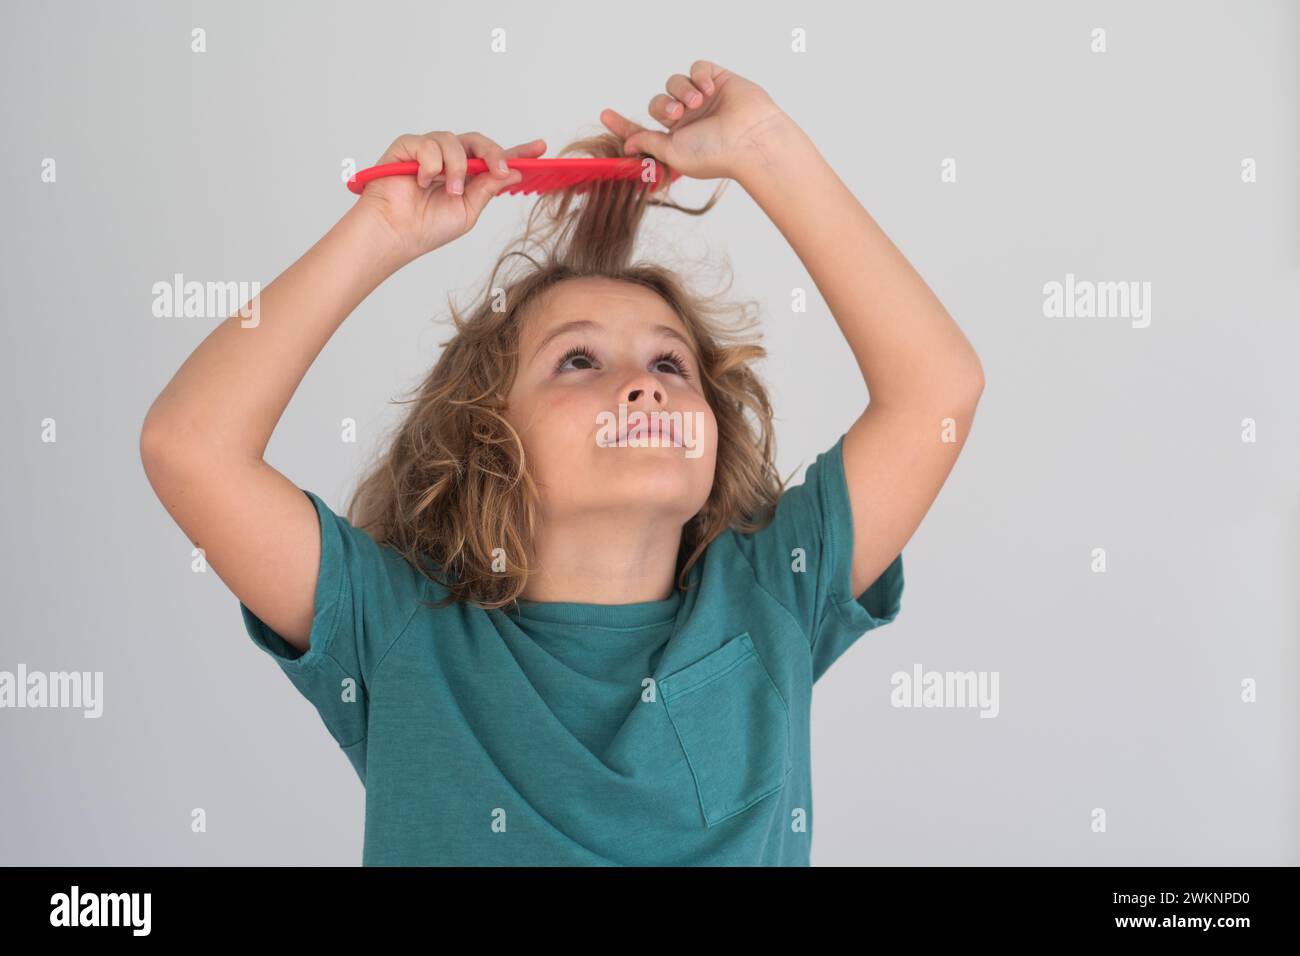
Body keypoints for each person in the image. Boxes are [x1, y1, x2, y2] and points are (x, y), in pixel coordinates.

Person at [139, 59, 984, 865]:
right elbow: (191, 448)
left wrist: (768, 152)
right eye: (579, 361)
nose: (642, 390)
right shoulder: (395, 632)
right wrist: (381, 232)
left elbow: (936, 393)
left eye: (669, 365)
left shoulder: (776, 595)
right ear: (486, 435)